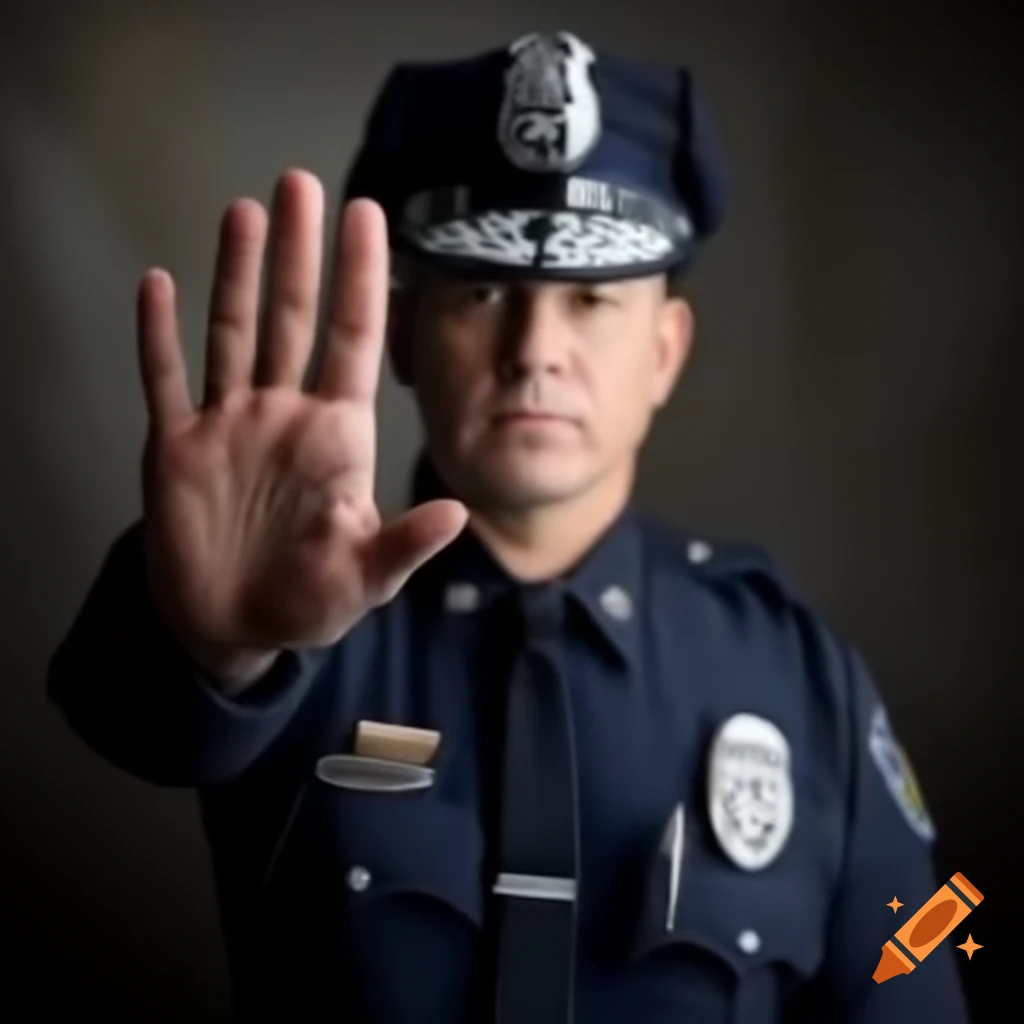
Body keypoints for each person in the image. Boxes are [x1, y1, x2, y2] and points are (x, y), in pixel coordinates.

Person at [47, 30, 971, 1024]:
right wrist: (213, 644)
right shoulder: (295, 622)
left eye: (591, 299)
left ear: (666, 352)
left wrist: (933, 956)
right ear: (404, 336)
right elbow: (134, 720)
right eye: (485, 291)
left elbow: (917, 955)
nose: (534, 351)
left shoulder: (794, 669)